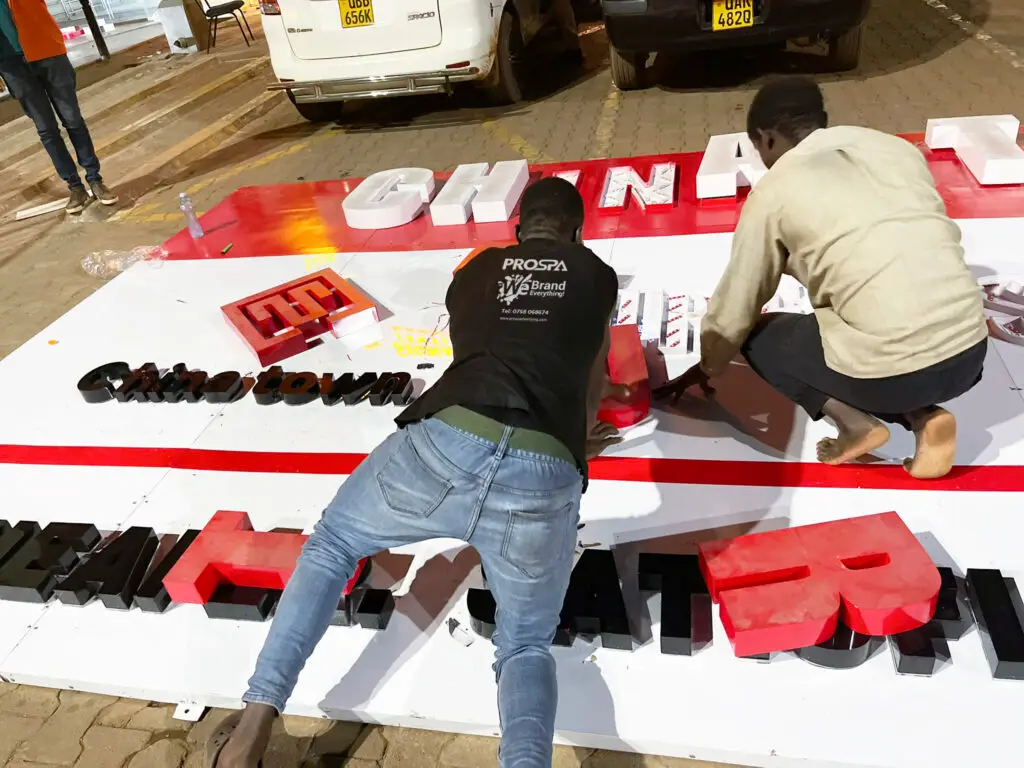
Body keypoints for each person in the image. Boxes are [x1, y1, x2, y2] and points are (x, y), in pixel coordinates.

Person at [210, 177, 624, 768]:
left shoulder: (475, 274)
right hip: (543, 468)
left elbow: (485, 355)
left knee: (332, 546)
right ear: (577, 235)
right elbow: (590, 384)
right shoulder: (593, 275)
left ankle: (254, 721)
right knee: (524, 644)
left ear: (516, 231)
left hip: (445, 444)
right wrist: (577, 439)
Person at [656, 76, 987, 480]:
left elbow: (737, 304)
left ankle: (854, 423)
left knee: (761, 337)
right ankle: (923, 418)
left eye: (760, 149)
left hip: (891, 372)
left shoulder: (774, 191)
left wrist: (709, 364)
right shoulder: (894, 149)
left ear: (768, 138)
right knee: (871, 329)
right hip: (971, 353)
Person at [0, 0, 117, 214]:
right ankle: (75, 187)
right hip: (10, 63)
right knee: (46, 128)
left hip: (47, 49)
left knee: (72, 119)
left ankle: (94, 179)